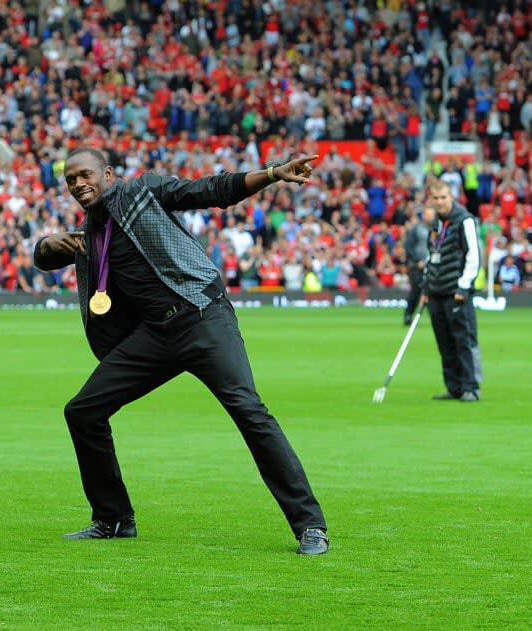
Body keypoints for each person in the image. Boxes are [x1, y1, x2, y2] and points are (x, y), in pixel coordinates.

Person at [33, 147, 328, 555]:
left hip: (203, 316)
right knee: (82, 411)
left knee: (249, 411)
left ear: (109, 174)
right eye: (70, 180)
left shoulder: (143, 192)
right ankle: (113, 518)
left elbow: (210, 190)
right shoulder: (92, 233)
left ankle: (310, 526)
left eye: (85, 174)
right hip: (156, 336)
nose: (78, 183)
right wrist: (48, 244)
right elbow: (44, 258)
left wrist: (274, 173)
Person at [422, 180, 482, 402]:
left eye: (443, 198)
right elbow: (432, 254)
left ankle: (471, 387)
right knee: (444, 342)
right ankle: (454, 386)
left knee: (463, 340)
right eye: (435, 199)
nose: (439, 202)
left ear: (452, 197)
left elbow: (473, 256)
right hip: (436, 291)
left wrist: (464, 286)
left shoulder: (465, 220)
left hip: (456, 291)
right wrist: (426, 285)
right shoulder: (437, 222)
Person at [402, 206, 436, 324]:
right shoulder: (417, 229)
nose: (430, 217)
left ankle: (436, 317)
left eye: (432, 215)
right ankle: (408, 315)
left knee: (433, 292)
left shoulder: (438, 229)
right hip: (418, 266)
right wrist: (417, 261)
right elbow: (408, 246)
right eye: (428, 214)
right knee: (415, 291)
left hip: (433, 266)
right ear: (424, 216)